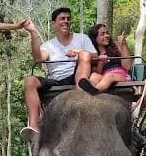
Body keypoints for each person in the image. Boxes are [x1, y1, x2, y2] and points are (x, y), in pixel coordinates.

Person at [20, 8, 96, 139]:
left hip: (77, 75)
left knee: (85, 55)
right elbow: (38, 58)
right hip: (56, 79)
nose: (66, 21)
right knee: (29, 81)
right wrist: (33, 32)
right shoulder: (48, 45)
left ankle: (80, 96)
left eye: (68, 18)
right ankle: (33, 125)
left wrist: (78, 51)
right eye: (62, 19)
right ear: (54, 23)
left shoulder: (82, 38)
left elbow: (95, 56)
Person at [80, 23, 133, 94]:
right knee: (94, 76)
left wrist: (124, 45)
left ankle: (95, 91)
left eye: (107, 33)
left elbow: (127, 66)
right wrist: (101, 63)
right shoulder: (93, 53)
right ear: (95, 38)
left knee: (109, 76)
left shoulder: (116, 46)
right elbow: (98, 72)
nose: (107, 36)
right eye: (102, 34)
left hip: (120, 75)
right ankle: (88, 90)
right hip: (103, 76)